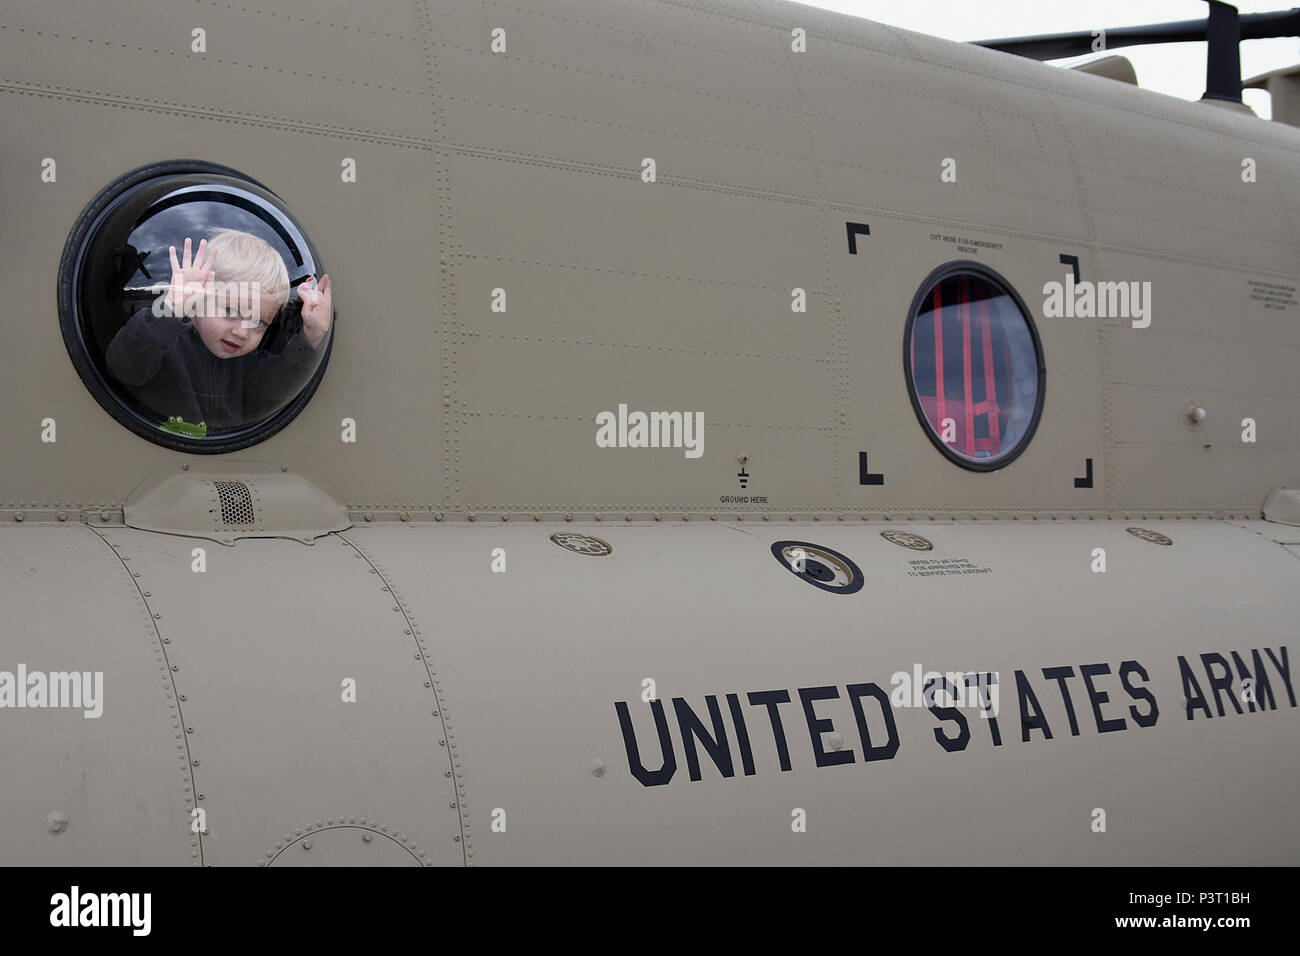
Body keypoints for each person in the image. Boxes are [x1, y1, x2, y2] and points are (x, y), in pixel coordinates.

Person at [105, 230, 332, 430]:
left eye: (259, 322)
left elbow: (277, 387)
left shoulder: (246, 361)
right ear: (196, 302)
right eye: (231, 311)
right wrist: (171, 309)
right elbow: (124, 367)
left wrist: (311, 337)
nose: (242, 332)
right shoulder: (164, 345)